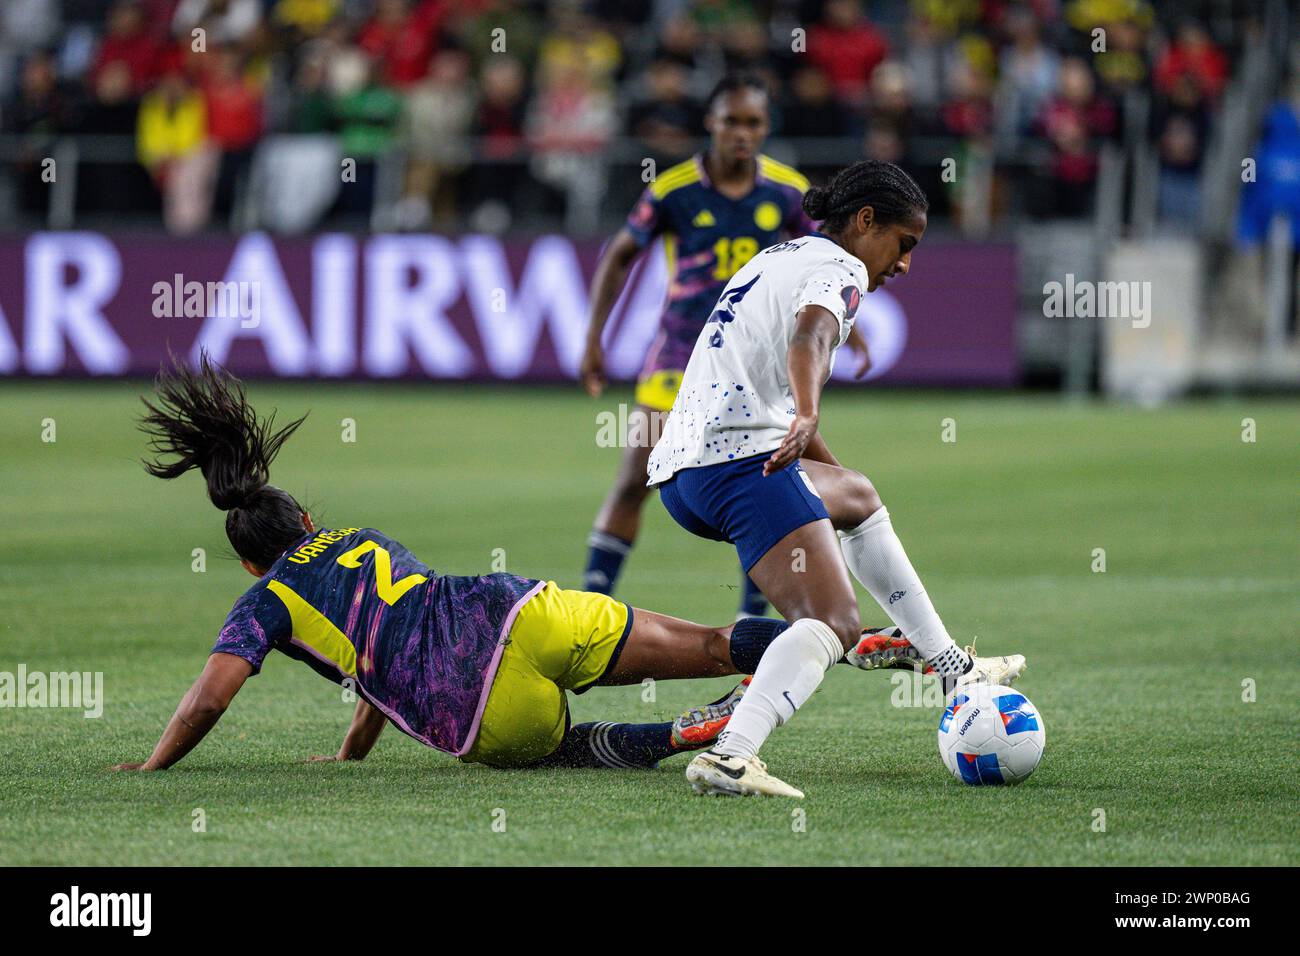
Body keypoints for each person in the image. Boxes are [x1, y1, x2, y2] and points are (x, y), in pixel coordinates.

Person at [111, 354, 903, 776]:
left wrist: (151, 766)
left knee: (560, 747)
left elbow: (210, 701)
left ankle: (680, 734)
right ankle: (848, 638)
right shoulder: (362, 541)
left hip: (479, 703)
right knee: (706, 641)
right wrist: (353, 749)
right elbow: (385, 642)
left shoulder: (267, 601)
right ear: (311, 521)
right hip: (523, 609)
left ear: (251, 564)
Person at [646, 160, 1027, 798]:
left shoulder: (783, 255)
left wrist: (808, 437)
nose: (904, 264)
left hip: (684, 472)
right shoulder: (841, 267)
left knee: (855, 493)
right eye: (903, 245)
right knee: (834, 622)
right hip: (737, 466)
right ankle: (731, 756)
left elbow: (782, 369)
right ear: (866, 221)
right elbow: (810, 339)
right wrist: (807, 410)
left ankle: (952, 668)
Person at [579, 74, 869, 618]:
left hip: (753, 365)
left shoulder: (787, 190)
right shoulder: (671, 190)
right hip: (676, 360)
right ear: (710, 123)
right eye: (731, 120)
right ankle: (591, 607)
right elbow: (620, 254)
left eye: (753, 122)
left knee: (760, 477)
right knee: (632, 480)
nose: (742, 132)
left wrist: (854, 327)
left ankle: (751, 619)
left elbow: (828, 260)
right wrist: (595, 337)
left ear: (765, 128)